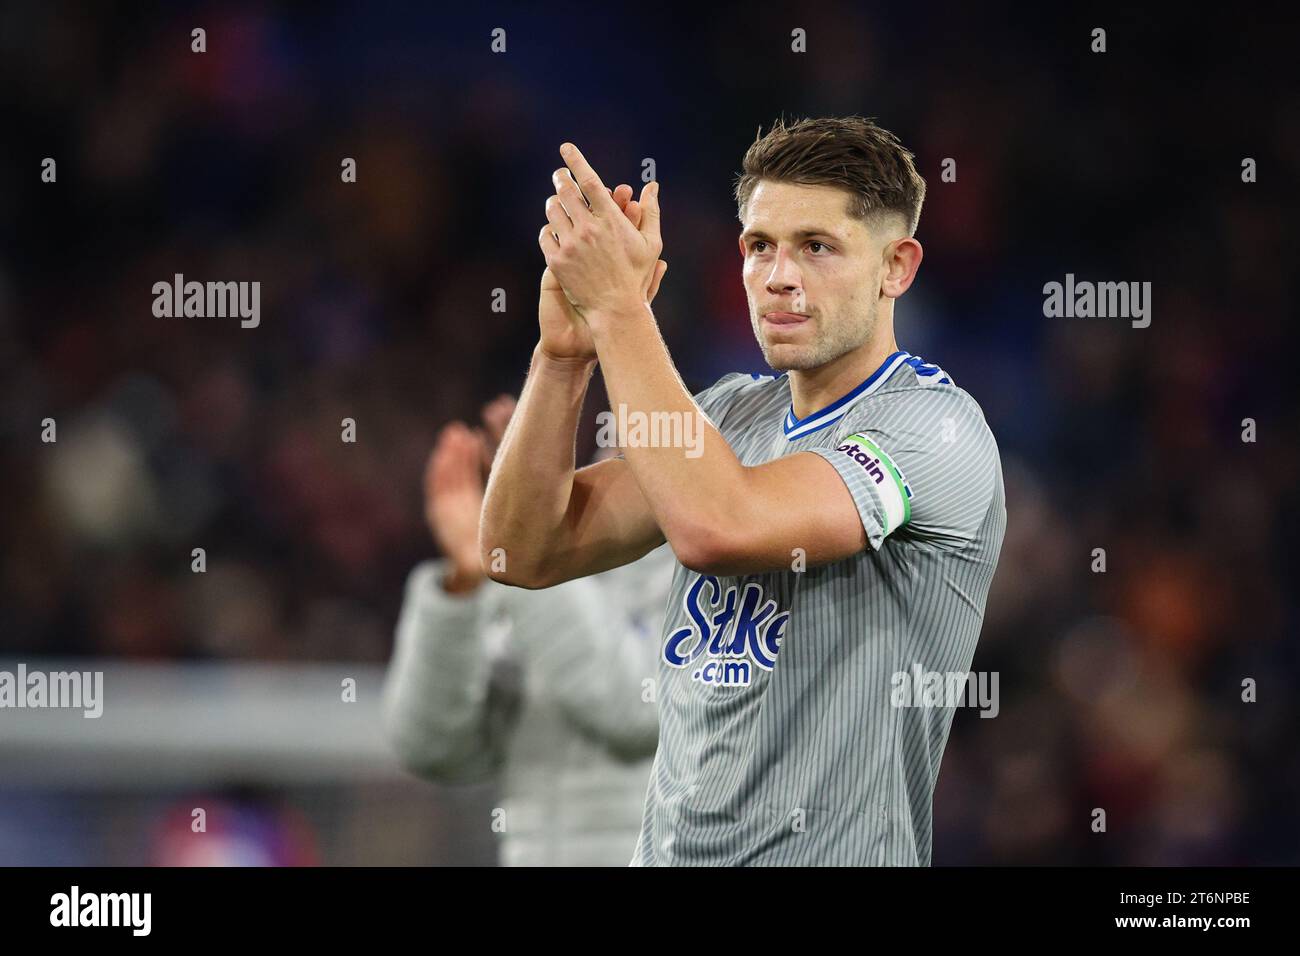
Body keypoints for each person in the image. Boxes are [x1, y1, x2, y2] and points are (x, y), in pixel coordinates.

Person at [481, 116, 1006, 865]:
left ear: (897, 266)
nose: (778, 276)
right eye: (760, 247)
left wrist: (622, 311)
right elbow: (520, 550)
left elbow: (716, 527)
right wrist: (565, 356)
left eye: (817, 247)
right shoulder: (726, 414)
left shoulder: (936, 431)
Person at [382, 188, 679, 866]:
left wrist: (516, 563)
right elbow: (434, 748)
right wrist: (467, 582)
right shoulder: (511, 574)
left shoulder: (695, 533)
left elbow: (633, 708)